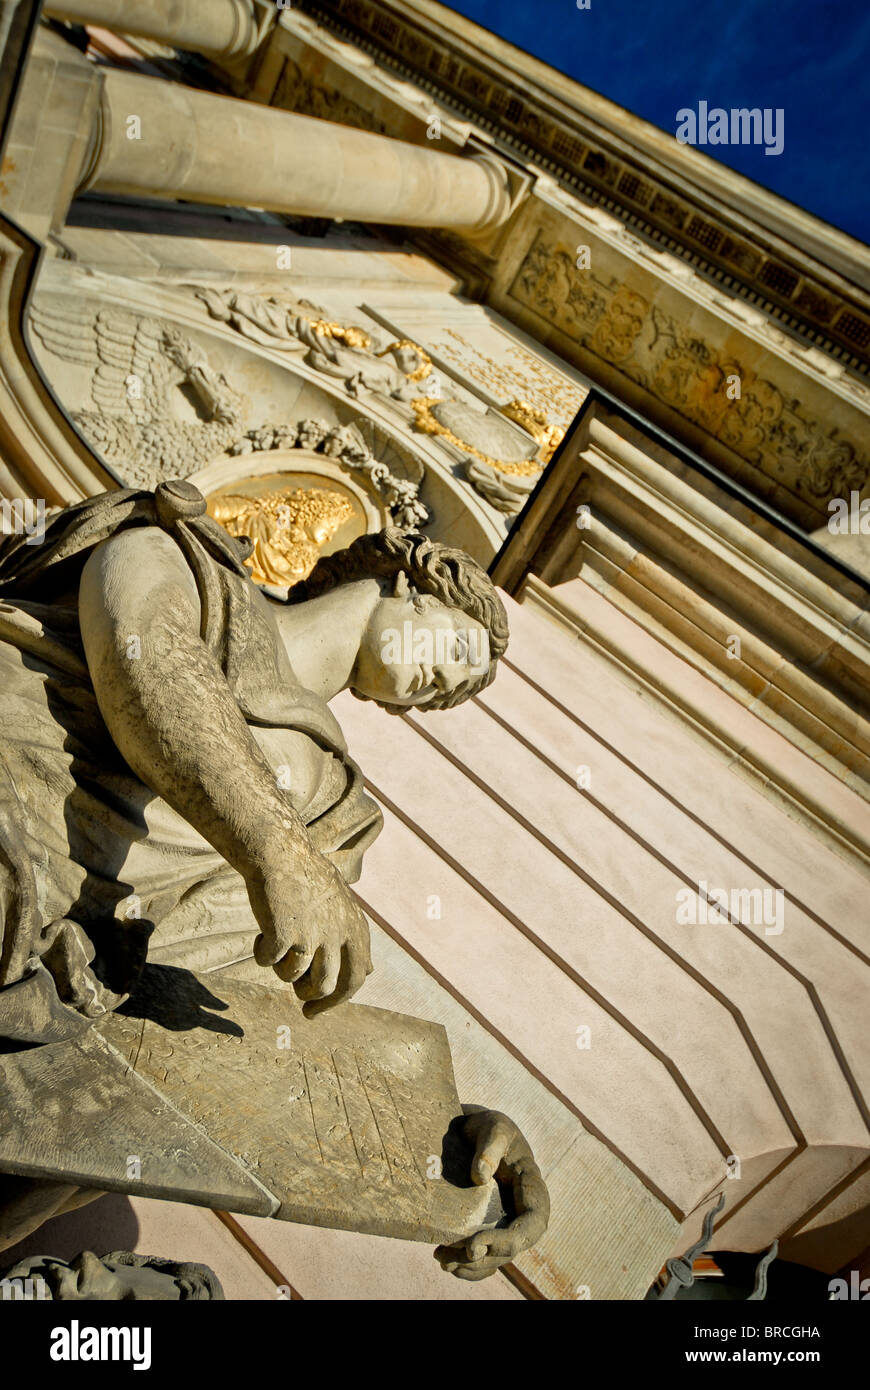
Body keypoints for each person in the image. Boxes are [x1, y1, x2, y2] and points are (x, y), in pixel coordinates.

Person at [0, 479, 548, 1280]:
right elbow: (145, 661)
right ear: (412, 579)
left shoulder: (335, 819)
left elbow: (222, 1023)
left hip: (57, 978)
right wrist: (277, 851)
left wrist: (446, 1141)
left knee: (103, 1120)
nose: (448, 690)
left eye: (459, 696)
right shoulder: (191, 558)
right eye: (460, 654)